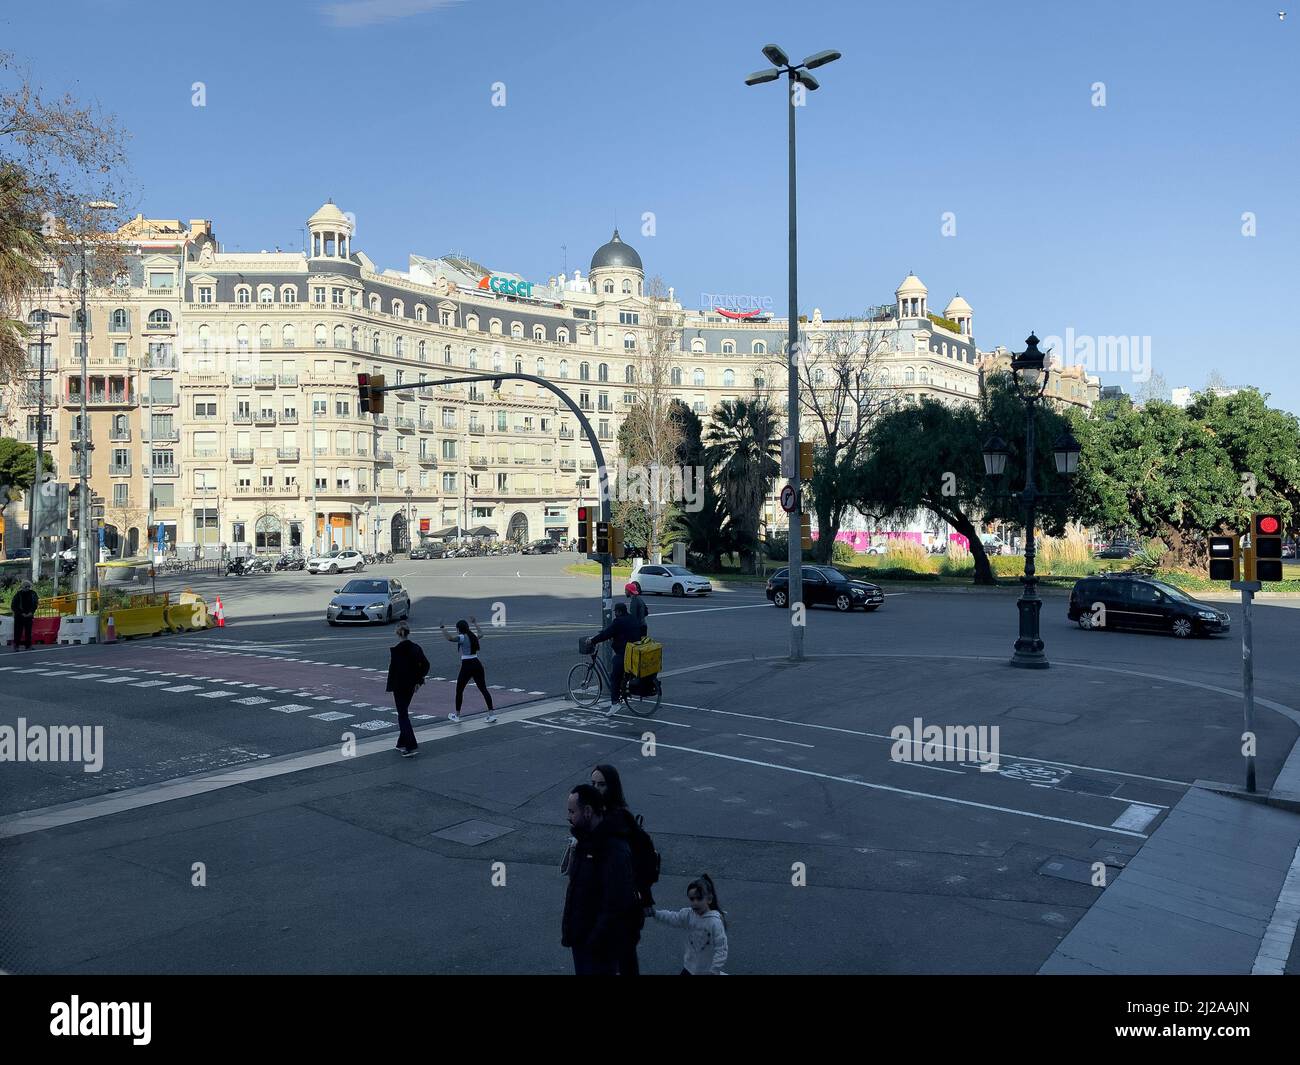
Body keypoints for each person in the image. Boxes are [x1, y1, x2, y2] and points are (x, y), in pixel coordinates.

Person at [561, 783, 641, 975]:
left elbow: (616, 903)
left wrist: (594, 940)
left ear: (588, 811)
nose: (569, 817)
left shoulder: (613, 849)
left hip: (599, 946)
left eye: (572, 812)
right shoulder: (584, 841)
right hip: (583, 938)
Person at [592, 764, 654, 976]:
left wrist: (645, 896)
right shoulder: (603, 815)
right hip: (613, 902)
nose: (596, 789)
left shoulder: (617, 819)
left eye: (601, 784)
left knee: (624, 959)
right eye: (593, 784)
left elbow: (641, 859)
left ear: (612, 787)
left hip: (622, 905)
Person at [646, 874, 729, 975]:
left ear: (709, 899)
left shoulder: (715, 922)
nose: (695, 902)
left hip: (707, 971)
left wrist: (714, 970)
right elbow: (673, 917)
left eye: (699, 898)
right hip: (689, 967)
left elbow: (721, 949)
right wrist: (656, 913)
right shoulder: (689, 914)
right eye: (692, 899)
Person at [439, 617, 496, 723]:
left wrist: (442, 628)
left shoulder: (462, 637)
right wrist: (475, 623)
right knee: (483, 689)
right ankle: (491, 714)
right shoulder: (472, 636)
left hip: (467, 665)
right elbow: (481, 634)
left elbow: (450, 638)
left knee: (459, 690)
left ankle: (457, 715)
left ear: (459, 629)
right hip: (477, 663)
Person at [386, 622, 430, 757]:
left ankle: (410, 745)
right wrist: (419, 680)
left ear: (397, 633)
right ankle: (401, 743)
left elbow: (393, 671)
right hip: (411, 686)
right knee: (403, 712)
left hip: (399, 686)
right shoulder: (416, 648)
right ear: (408, 632)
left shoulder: (396, 650)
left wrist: (390, 686)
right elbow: (426, 665)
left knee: (402, 715)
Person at [589, 603, 641, 714]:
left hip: (625, 653)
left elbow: (606, 634)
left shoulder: (618, 622)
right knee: (620, 674)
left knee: (614, 677)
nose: (615, 614)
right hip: (635, 652)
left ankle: (615, 704)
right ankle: (622, 691)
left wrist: (593, 640)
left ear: (619, 612)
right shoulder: (632, 618)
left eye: (616, 612)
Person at [11, 580, 39, 651]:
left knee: (28, 631)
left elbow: (35, 604)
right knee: (18, 631)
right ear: (22, 587)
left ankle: (28, 645)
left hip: (29, 615)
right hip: (19, 616)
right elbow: (13, 606)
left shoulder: (33, 594)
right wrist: (21, 613)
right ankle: (16, 646)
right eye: (26, 586)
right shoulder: (18, 595)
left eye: (29, 586)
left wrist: (31, 612)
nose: (27, 588)